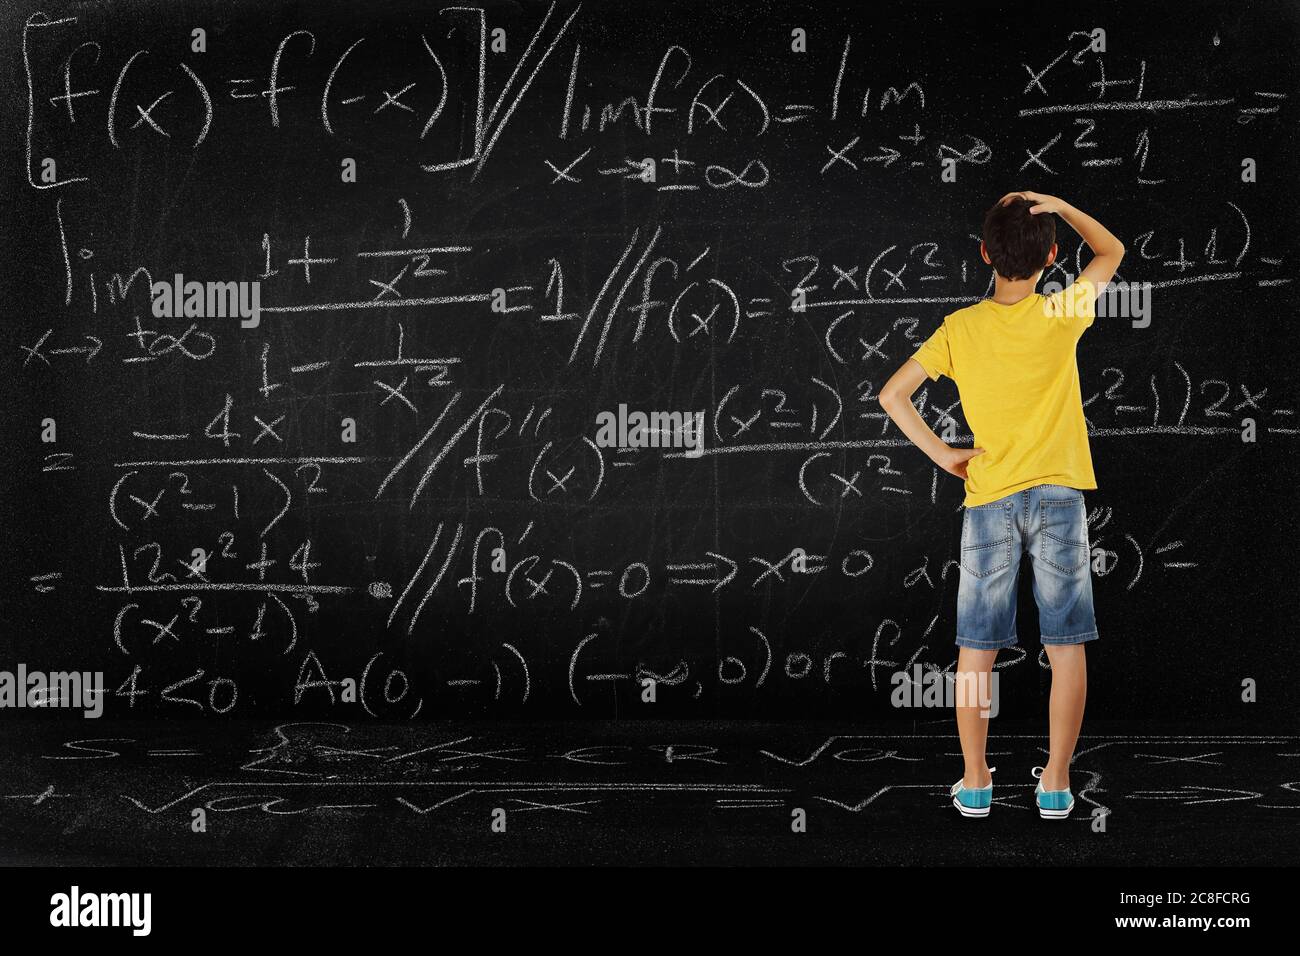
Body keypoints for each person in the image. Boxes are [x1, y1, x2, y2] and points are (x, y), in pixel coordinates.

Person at [877, 191, 1125, 819]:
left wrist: (945, 455)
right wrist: (1062, 206)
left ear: (984, 253)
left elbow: (893, 395)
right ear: (1051, 257)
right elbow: (1112, 250)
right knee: (1066, 644)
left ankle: (977, 780)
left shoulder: (960, 328)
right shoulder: (1062, 311)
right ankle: (1057, 783)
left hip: (988, 499)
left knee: (976, 648)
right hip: (1060, 497)